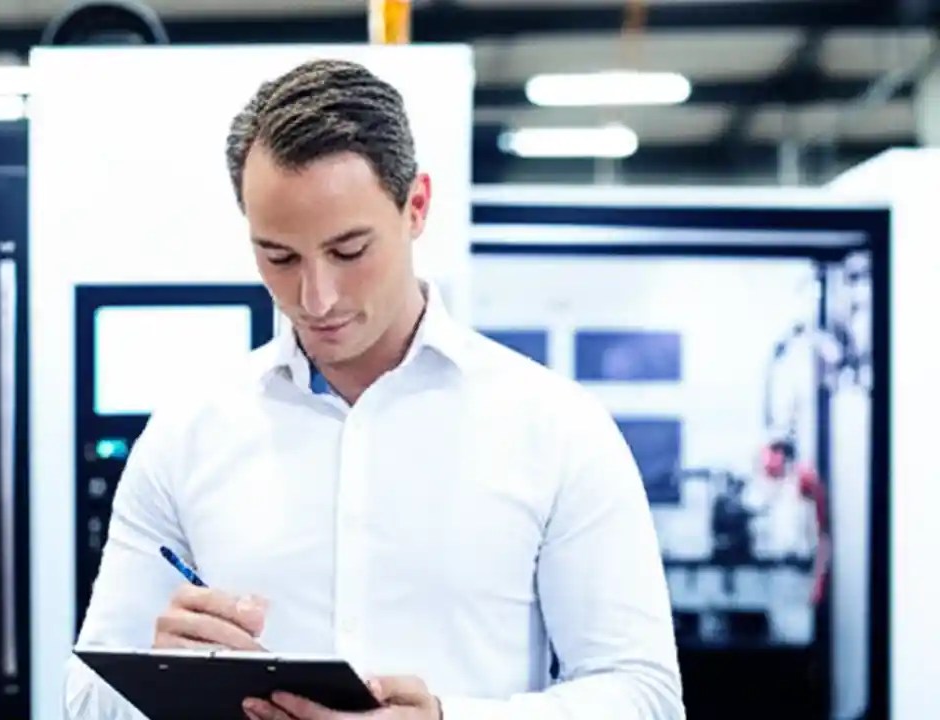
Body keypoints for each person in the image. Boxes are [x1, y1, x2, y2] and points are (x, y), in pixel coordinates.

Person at [65, 58, 684, 720]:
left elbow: (645, 698)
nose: (316, 298)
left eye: (349, 251)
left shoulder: (557, 429)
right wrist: (163, 672)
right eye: (279, 257)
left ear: (416, 207)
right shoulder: (187, 435)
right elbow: (84, 702)